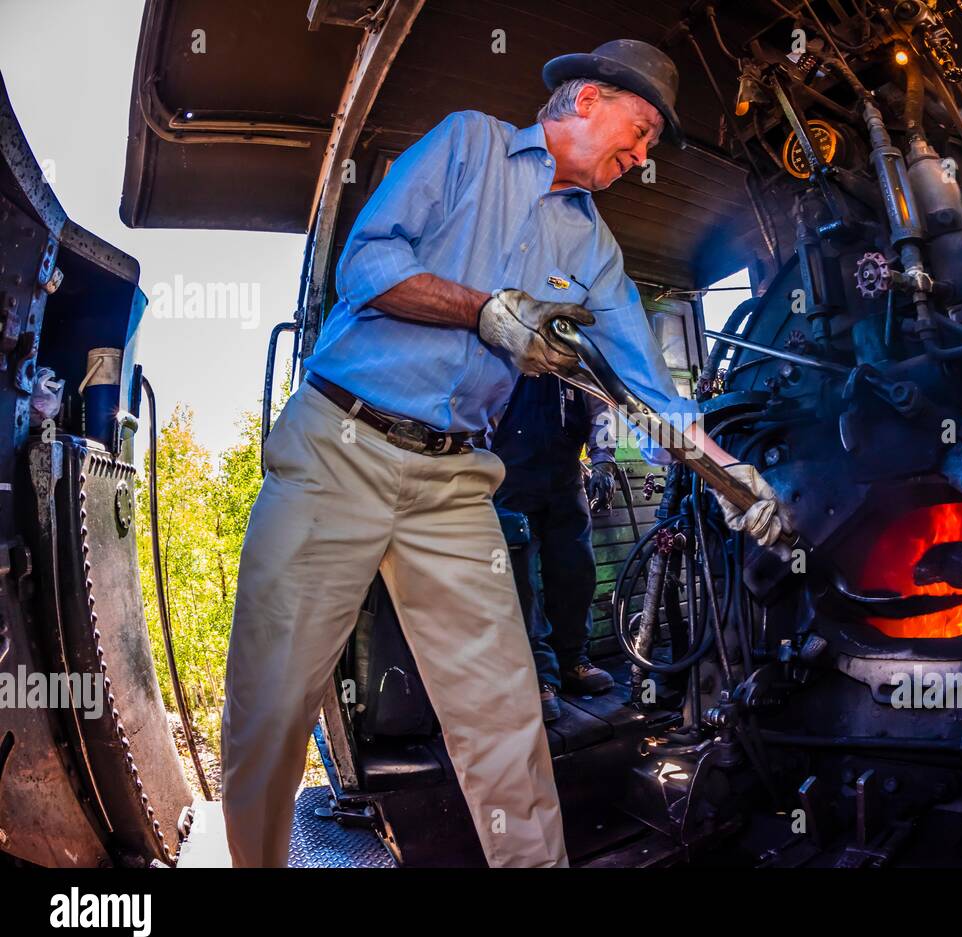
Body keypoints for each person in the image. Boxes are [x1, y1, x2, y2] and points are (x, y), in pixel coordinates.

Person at [219, 38, 786, 869]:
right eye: (639, 131)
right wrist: (483, 310)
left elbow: (650, 390)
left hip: (454, 482)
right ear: (587, 100)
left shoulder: (592, 249)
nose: (640, 156)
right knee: (271, 701)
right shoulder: (468, 143)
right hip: (338, 448)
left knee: (505, 718)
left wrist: (733, 478)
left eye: (651, 146)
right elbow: (367, 263)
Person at [492, 374, 621, 723]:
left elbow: (601, 408)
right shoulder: (501, 352)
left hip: (566, 480)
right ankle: (538, 678)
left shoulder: (574, 357)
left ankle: (572, 662)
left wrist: (604, 461)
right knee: (522, 585)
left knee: (575, 572)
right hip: (508, 481)